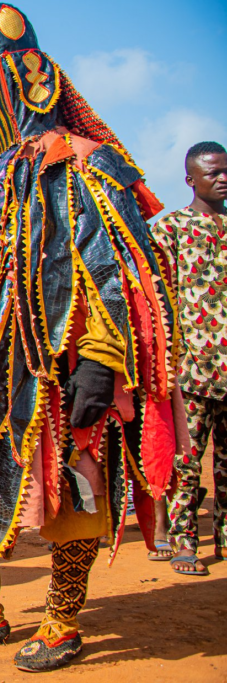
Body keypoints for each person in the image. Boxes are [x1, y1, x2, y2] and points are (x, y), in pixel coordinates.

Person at [0, 5, 179, 673]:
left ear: (33, 78)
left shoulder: (93, 162)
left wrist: (103, 358)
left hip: (62, 361)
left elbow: (119, 265)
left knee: (73, 490)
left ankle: (62, 620)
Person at [152, 141, 227, 576]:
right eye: (212, 172)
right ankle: (184, 544)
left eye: (225, 170)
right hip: (190, 372)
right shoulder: (171, 230)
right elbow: (160, 301)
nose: (221, 177)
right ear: (191, 180)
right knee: (187, 464)